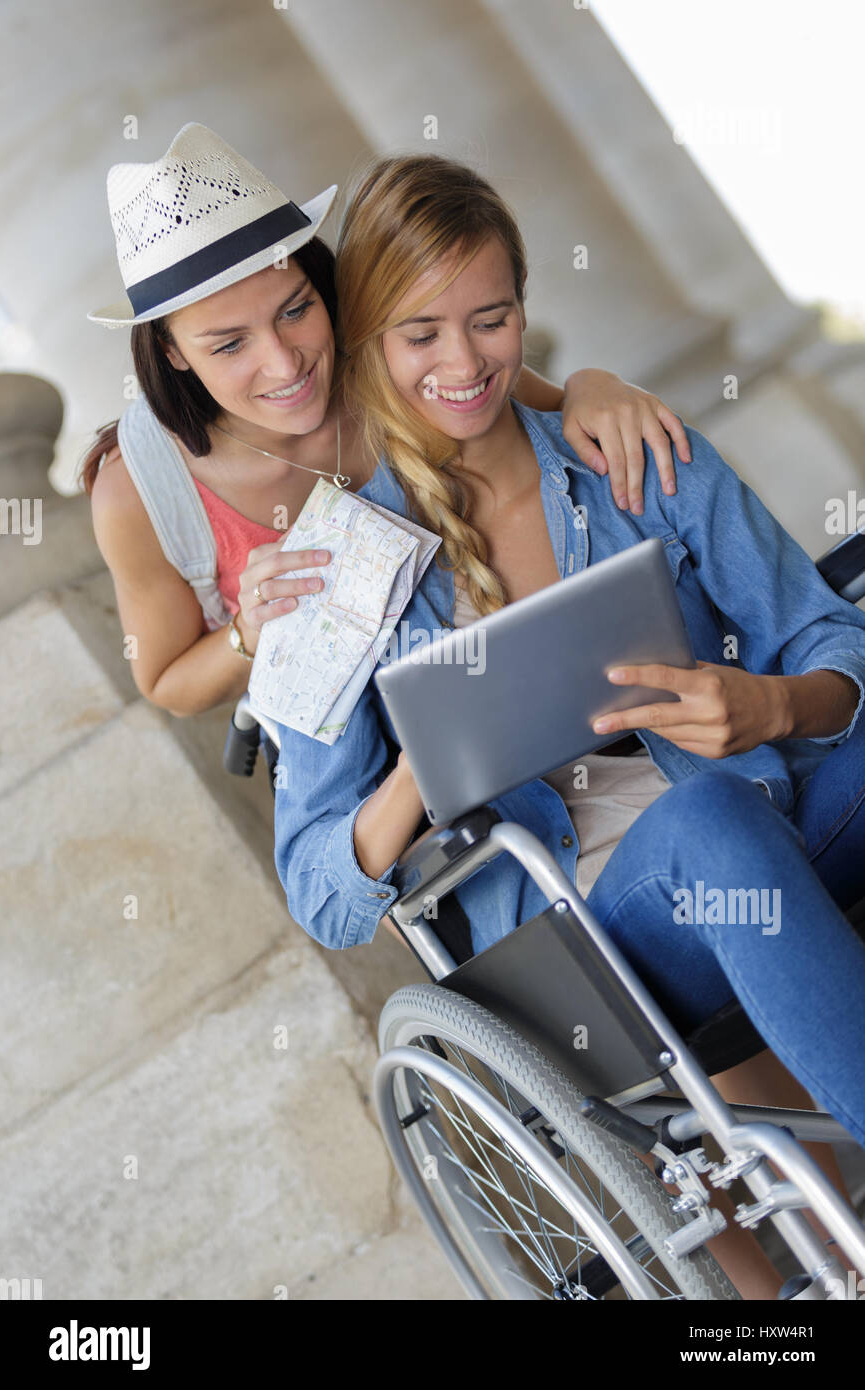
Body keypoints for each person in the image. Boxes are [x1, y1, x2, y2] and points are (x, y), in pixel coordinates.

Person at [270, 152, 865, 1296]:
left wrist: (772, 704)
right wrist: (422, 769)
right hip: (595, 947)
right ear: (366, 345)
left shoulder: (628, 451)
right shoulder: (335, 578)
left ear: (524, 311)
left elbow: (825, 640)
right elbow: (319, 888)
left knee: (724, 810)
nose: (463, 363)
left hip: (766, 808)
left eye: (489, 320)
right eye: (419, 335)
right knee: (707, 829)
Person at [79, 123, 689, 723]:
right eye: (230, 345)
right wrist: (250, 628)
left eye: (296, 310)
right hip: (373, 760)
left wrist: (596, 385)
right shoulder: (139, 492)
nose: (284, 362)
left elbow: (538, 407)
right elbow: (166, 682)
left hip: (538, 687)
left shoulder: (386, 353)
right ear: (171, 352)